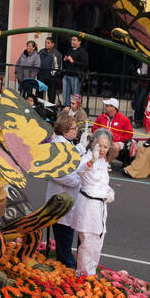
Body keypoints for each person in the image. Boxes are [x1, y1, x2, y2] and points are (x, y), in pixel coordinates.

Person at [68, 129, 115, 277]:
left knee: (98, 241)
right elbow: (80, 172)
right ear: (93, 143)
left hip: (100, 206)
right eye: (99, 145)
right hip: (88, 204)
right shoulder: (87, 158)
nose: (102, 149)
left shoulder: (103, 161)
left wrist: (110, 191)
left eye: (105, 147)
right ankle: (83, 273)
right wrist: (91, 161)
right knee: (87, 241)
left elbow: (102, 183)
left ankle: (91, 272)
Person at [47, 112, 83, 268]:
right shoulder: (58, 146)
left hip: (68, 196)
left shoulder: (66, 143)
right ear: (64, 130)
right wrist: (77, 180)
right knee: (64, 232)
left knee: (67, 231)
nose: (76, 131)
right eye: (74, 128)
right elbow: (57, 173)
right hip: (61, 196)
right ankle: (66, 263)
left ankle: (66, 260)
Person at [91, 98, 134, 163]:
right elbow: (94, 129)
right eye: (105, 105)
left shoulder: (124, 119)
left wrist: (119, 138)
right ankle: (100, 162)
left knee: (115, 147)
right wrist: (99, 137)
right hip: (102, 140)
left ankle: (106, 163)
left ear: (114, 107)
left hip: (117, 141)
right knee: (95, 144)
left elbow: (129, 134)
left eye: (107, 106)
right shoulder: (101, 117)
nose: (105, 107)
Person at [61, 35, 88, 105]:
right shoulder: (70, 50)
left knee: (75, 95)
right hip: (67, 75)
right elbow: (68, 60)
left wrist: (73, 61)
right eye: (71, 40)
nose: (72, 41)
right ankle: (66, 108)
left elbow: (85, 64)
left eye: (74, 40)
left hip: (75, 76)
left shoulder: (82, 51)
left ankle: (76, 110)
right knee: (65, 94)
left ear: (79, 42)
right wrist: (65, 59)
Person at [40, 36, 64, 105]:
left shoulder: (57, 54)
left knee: (51, 96)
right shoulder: (41, 52)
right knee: (40, 95)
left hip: (51, 79)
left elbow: (59, 67)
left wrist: (52, 74)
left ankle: (50, 111)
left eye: (48, 43)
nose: (46, 44)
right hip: (41, 77)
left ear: (53, 44)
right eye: (46, 42)